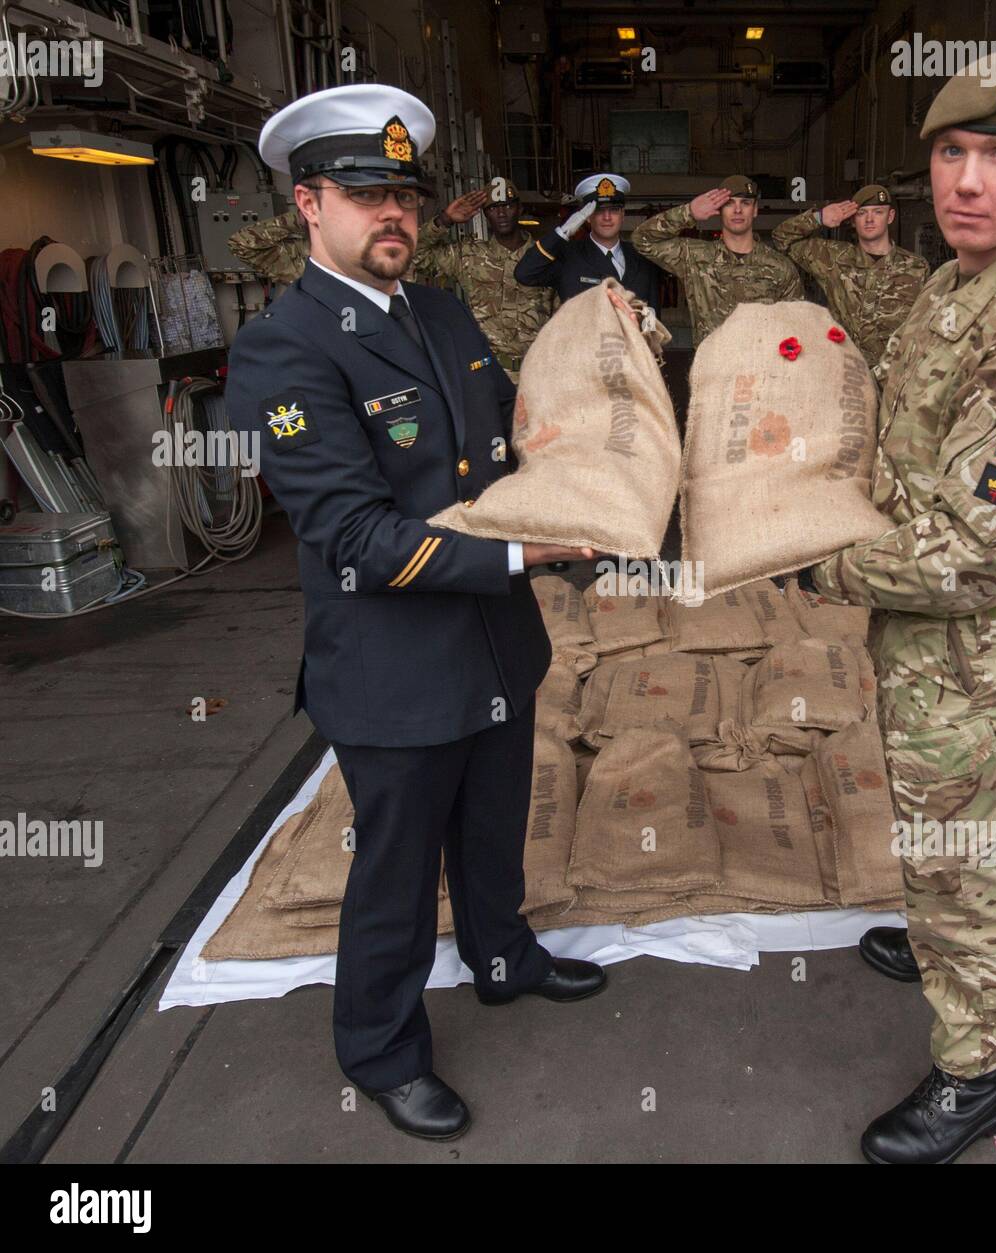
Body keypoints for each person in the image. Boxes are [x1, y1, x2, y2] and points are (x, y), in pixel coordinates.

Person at [224, 83, 605, 1144]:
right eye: (363, 192)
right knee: (394, 873)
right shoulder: (287, 345)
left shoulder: (439, 310)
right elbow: (354, 535)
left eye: (403, 192)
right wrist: (532, 548)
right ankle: (383, 1049)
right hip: (392, 665)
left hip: (492, 641)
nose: (391, 212)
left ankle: (501, 957)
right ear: (308, 205)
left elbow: (501, 449)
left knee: (492, 830)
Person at [808, 52, 996, 1164]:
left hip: (970, 638)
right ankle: (938, 935)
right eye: (951, 153)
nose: (969, 180)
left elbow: (974, 552)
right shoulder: (958, 278)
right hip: (928, 637)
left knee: (964, 852)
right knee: (941, 831)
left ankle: (973, 1070)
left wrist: (821, 566)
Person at [229, 179, 553, 383]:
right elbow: (243, 243)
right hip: (358, 370)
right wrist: (310, 212)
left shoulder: (393, 260)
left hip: (426, 368)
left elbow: (419, 255)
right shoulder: (308, 267)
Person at [630, 173, 801, 344]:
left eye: (746, 203)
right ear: (719, 209)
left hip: (763, 368)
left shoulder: (780, 268)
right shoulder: (695, 257)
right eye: (729, 203)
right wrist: (689, 212)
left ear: (755, 209)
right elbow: (642, 239)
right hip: (711, 368)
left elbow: (796, 329)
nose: (738, 210)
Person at [771, 184, 929, 368]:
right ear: (853, 220)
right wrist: (819, 217)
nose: (869, 219)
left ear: (890, 216)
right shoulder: (833, 258)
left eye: (878, 212)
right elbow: (781, 238)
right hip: (844, 372)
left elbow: (925, 325)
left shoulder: (916, 267)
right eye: (861, 213)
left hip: (895, 375)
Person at [413, 179, 555, 382]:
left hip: (539, 375)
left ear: (520, 208)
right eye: (493, 208)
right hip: (488, 376)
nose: (501, 213)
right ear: (485, 214)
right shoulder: (469, 256)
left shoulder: (545, 257)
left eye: (508, 205)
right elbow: (414, 255)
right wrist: (445, 219)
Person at [514, 172, 660, 305]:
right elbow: (524, 274)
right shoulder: (569, 256)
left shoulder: (641, 256)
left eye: (614, 210)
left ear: (623, 215)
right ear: (588, 216)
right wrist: (562, 232)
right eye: (598, 210)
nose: (607, 217)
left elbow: (652, 315)